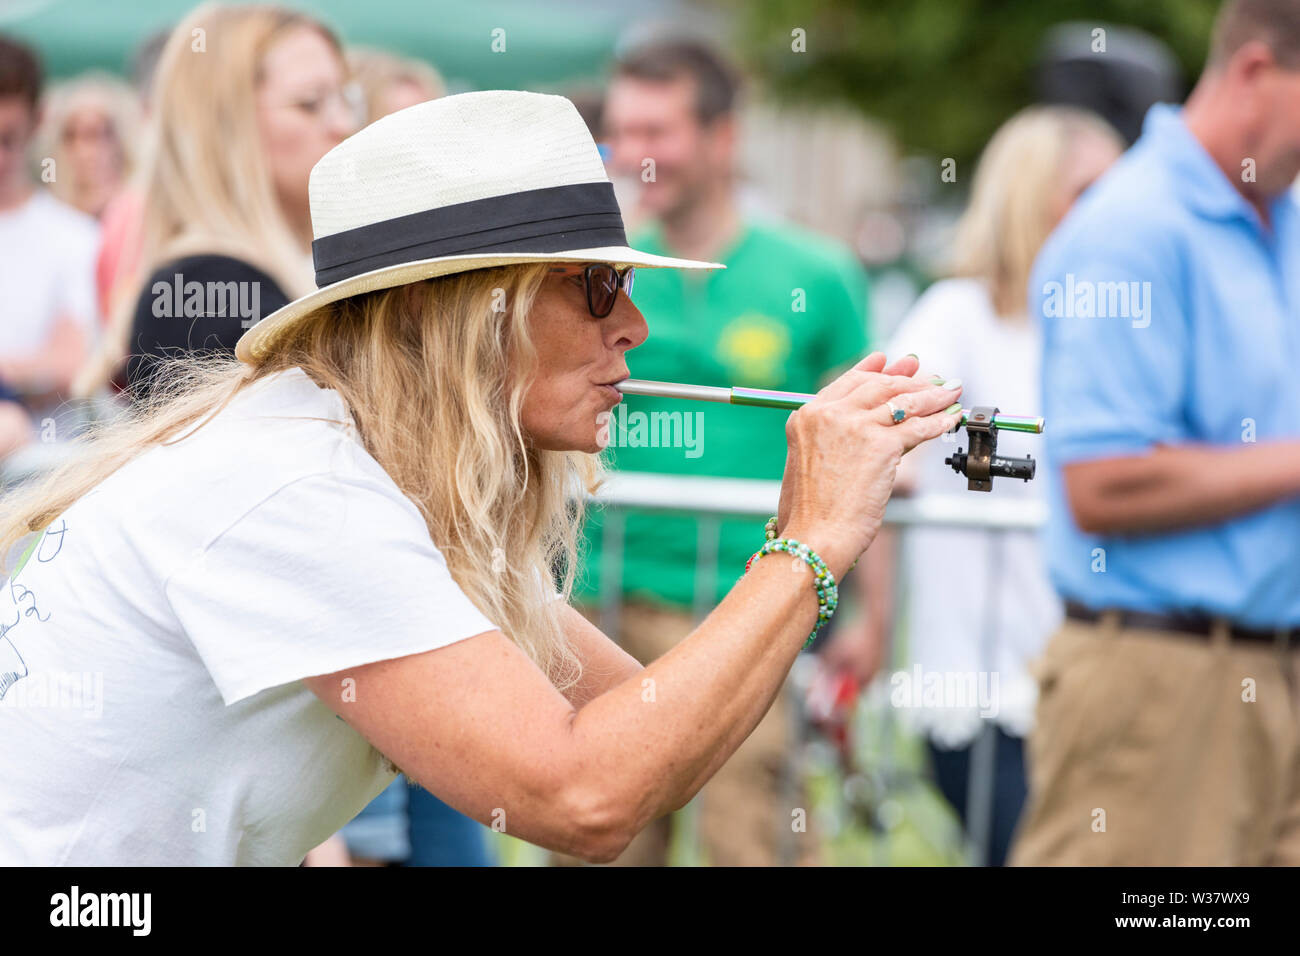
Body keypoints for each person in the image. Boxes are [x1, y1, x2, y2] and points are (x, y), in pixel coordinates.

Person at [0, 90, 963, 865]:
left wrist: (796, 529)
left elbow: (641, 720)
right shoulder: (301, 489)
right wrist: (809, 546)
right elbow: (584, 797)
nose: (634, 324)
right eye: (595, 284)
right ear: (471, 310)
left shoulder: (344, 460)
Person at [568, 36, 872, 867]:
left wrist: (868, 611)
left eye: (657, 130)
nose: (636, 153)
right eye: (623, 130)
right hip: (601, 600)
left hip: (748, 602)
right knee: (604, 840)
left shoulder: (816, 272)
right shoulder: (599, 270)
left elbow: (862, 446)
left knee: (755, 842)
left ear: (722, 137)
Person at [1010, 0, 1300, 866]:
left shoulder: (1281, 218)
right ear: (1255, 71)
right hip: (1161, 684)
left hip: (1267, 675)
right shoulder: (1129, 230)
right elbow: (1104, 482)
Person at [827, 106, 1123, 866]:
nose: (1114, 208)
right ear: (1029, 196)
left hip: (1102, 678)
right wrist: (872, 618)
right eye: (1089, 189)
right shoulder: (957, 314)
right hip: (981, 681)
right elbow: (887, 453)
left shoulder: (1115, 324)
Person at [74, 3, 360, 404]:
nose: (343, 124)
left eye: (347, 99)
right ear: (225, 129)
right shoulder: (208, 297)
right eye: (311, 103)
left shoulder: (222, 286)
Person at [0, 34, 99, 418]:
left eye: (8, 139)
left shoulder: (74, 238)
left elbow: (73, 364)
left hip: (48, 469)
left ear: (37, 120)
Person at [33, 71, 140, 220]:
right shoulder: (48, 213)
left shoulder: (137, 211)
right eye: (71, 136)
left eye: (95, 134)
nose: (83, 151)